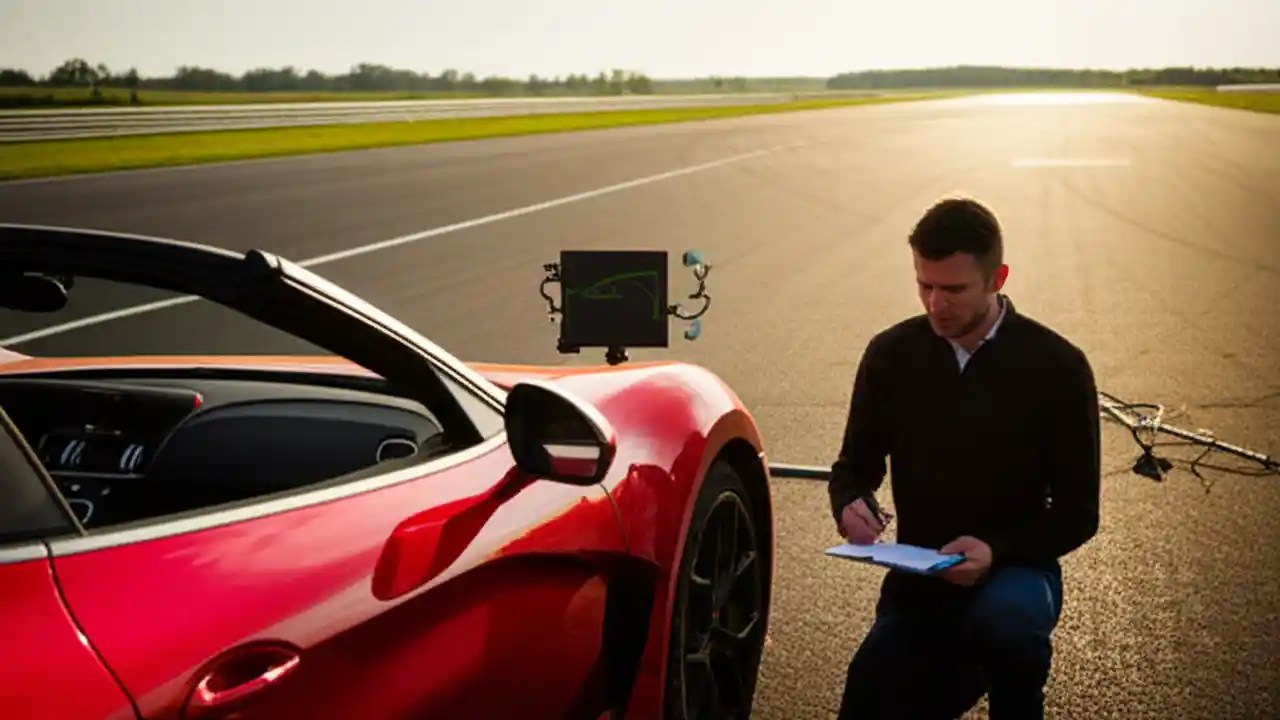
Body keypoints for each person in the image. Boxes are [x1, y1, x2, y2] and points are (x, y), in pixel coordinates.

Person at [829, 196, 1101, 720]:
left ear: (997, 277)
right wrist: (849, 502)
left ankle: (1014, 700)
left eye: (953, 289)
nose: (936, 304)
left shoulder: (1058, 366)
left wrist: (994, 551)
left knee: (1007, 624)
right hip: (921, 576)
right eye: (924, 286)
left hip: (1016, 570)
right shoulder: (891, 354)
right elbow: (853, 467)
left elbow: (1078, 514)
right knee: (869, 690)